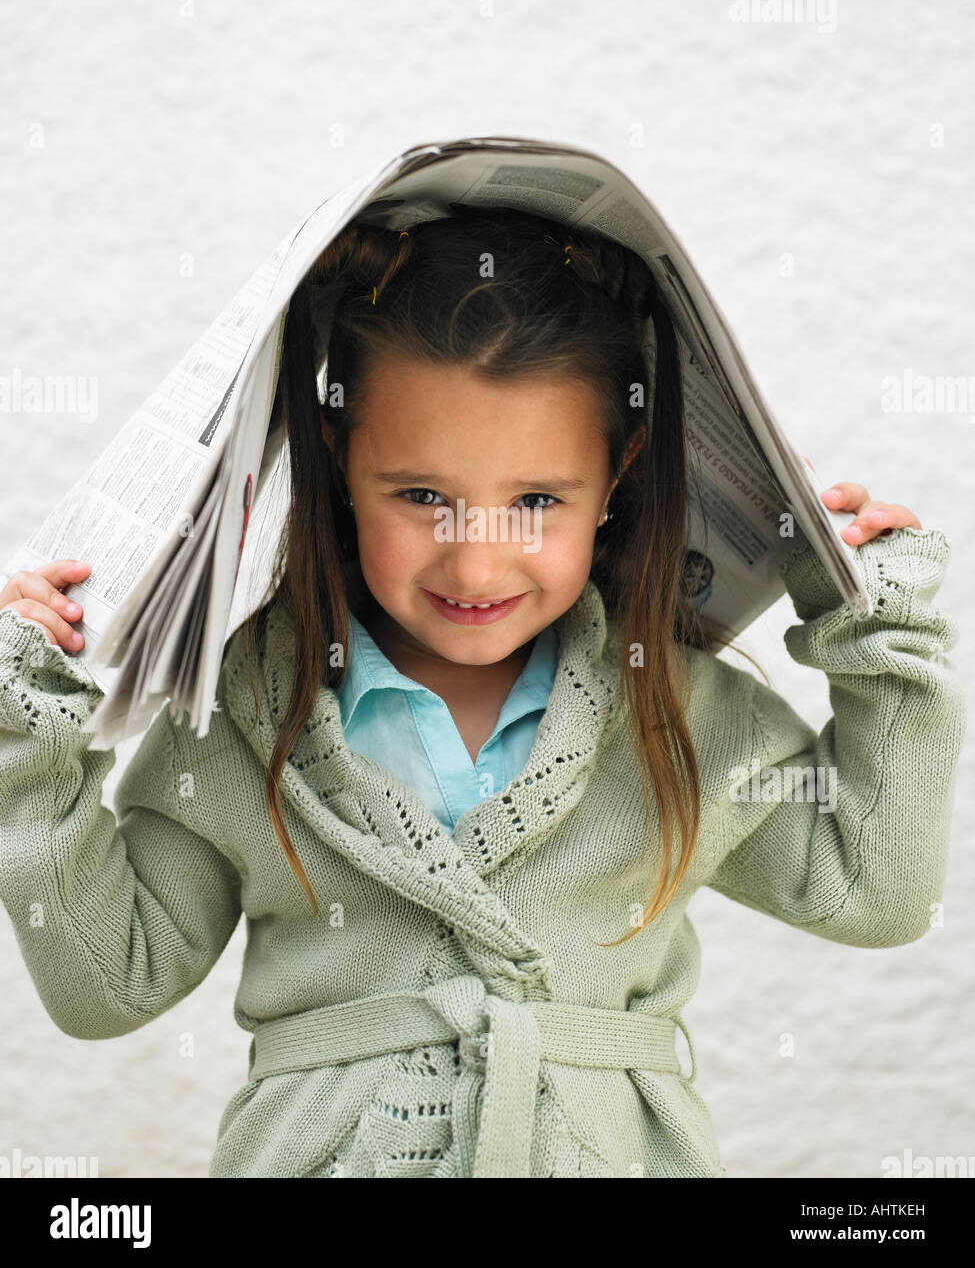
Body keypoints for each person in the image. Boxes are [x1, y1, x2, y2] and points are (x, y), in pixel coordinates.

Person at [0, 207, 964, 1178]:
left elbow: (873, 892)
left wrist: (884, 646)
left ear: (617, 471)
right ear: (337, 454)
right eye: (421, 495)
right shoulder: (246, 717)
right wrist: (23, 747)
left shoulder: (676, 711)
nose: (475, 558)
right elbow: (108, 983)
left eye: (537, 501)